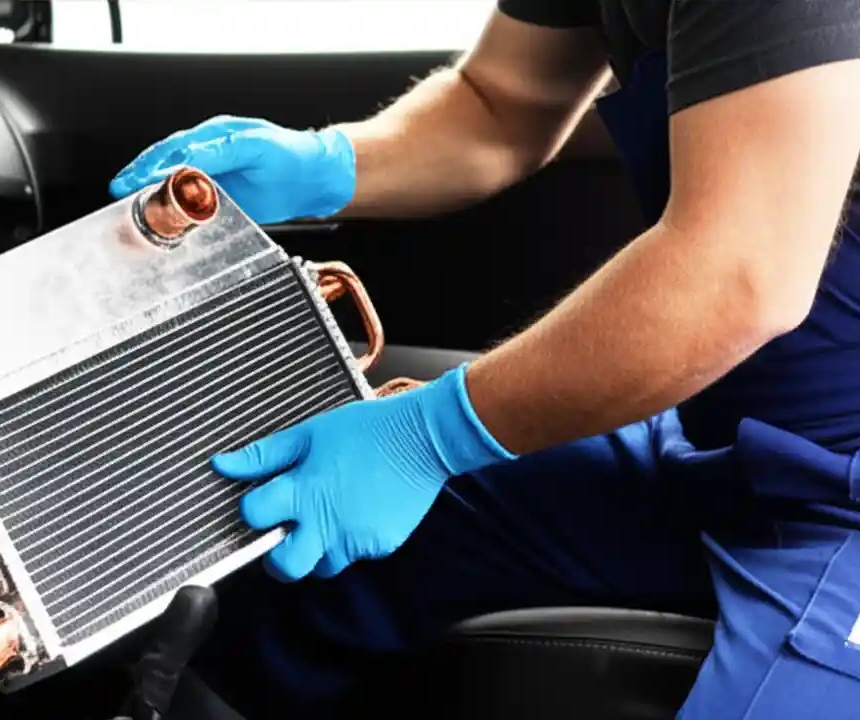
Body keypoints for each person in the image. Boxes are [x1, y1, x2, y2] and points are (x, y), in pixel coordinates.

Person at [109, 1, 859, 718]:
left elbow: (740, 274)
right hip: (728, 440)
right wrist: (326, 162)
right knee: (290, 571)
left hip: (843, 495)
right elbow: (501, 103)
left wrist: (427, 435)